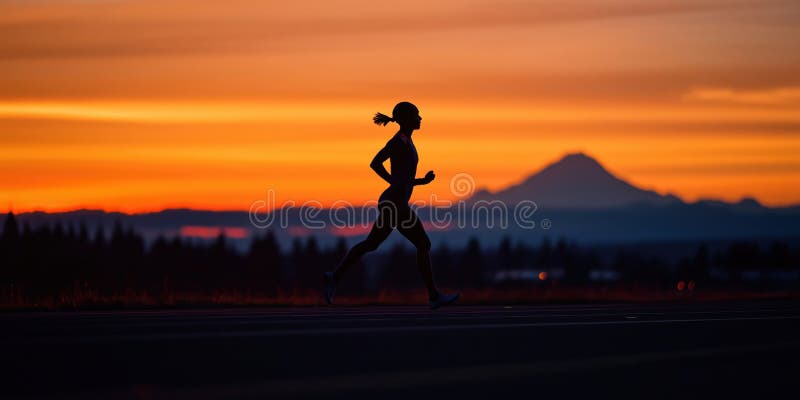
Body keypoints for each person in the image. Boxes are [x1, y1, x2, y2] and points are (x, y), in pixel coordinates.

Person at [324, 101, 460, 309]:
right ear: (406, 119)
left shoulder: (406, 141)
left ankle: (334, 276)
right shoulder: (398, 141)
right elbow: (375, 163)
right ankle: (433, 296)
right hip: (394, 203)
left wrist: (420, 181)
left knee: (371, 244)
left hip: (393, 202)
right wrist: (393, 182)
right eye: (416, 115)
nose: (420, 118)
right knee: (423, 244)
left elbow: (403, 177)